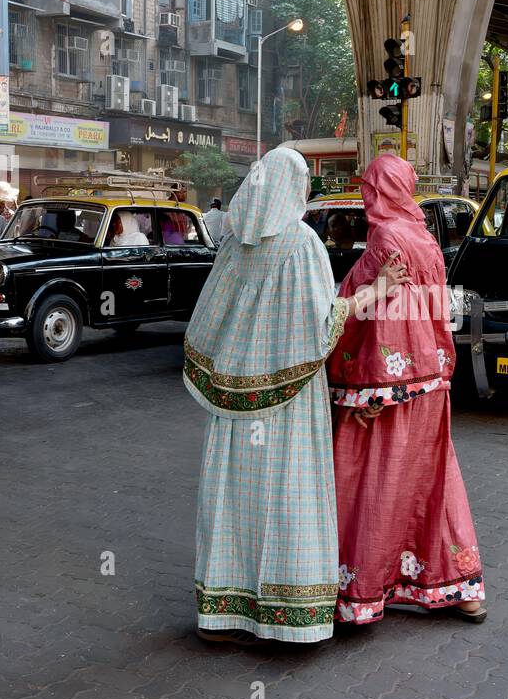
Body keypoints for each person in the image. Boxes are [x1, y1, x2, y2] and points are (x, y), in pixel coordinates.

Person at [184, 147, 408, 645]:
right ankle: (285, 619)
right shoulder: (301, 243)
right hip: (289, 403)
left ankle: (223, 615)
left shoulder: (235, 245)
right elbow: (323, 322)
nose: (307, 192)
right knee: (285, 495)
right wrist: (380, 287)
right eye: (305, 182)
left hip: (233, 405)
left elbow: (211, 320)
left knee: (232, 500)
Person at [327, 154, 486, 626]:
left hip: (386, 387)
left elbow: (369, 316)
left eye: (370, 187)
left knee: (375, 483)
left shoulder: (385, 237)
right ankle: (462, 588)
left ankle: (363, 592)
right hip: (431, 381)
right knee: (432, 483)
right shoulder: (425, 238)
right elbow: (433, 311)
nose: (365, 195)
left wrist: (362, 387)